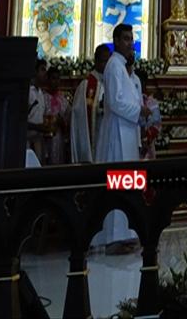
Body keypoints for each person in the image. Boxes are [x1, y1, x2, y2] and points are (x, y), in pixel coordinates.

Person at [94, 24, 152, 254]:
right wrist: (139, 112)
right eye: (126, 38)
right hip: (118, 132)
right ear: (116, 41)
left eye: (131, 39)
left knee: (127, 183)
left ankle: (126, 232)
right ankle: (114, 237)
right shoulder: (114, 66)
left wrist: (142, 112)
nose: (130, 43)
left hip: (128, 131)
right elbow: (115, 102)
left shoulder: (125, 70)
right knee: (118, 183)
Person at [70, 44, 110, 163]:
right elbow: (78, 114)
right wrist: (98, 108)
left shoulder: (112, 81)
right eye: (103, 61)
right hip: (94, 136)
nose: (106, 65)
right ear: (96, 61)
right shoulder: (86, 86)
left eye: (108, 61)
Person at [42, 67, 69, 165]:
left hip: (58, 138)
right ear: (48, 79)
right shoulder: (42, 98)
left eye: (58, 79)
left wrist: (62, 122)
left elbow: (67, 123)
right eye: (53, 78)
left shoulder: (63, 100)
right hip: (44, 138)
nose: (56, 82)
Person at [138, 71, 161, 160]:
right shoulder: (130, 100)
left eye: (142, 82)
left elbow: (156, 124)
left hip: (147, 145)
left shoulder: (152, 102)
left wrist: (146, 139)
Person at [27, 60, 47, 163]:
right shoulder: (28, 92)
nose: (45, 73)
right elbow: (21, 119)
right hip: (27, 139)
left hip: (38, 138)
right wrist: (37, 127)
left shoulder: (41, 93)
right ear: (35, 72)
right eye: (42, 70)